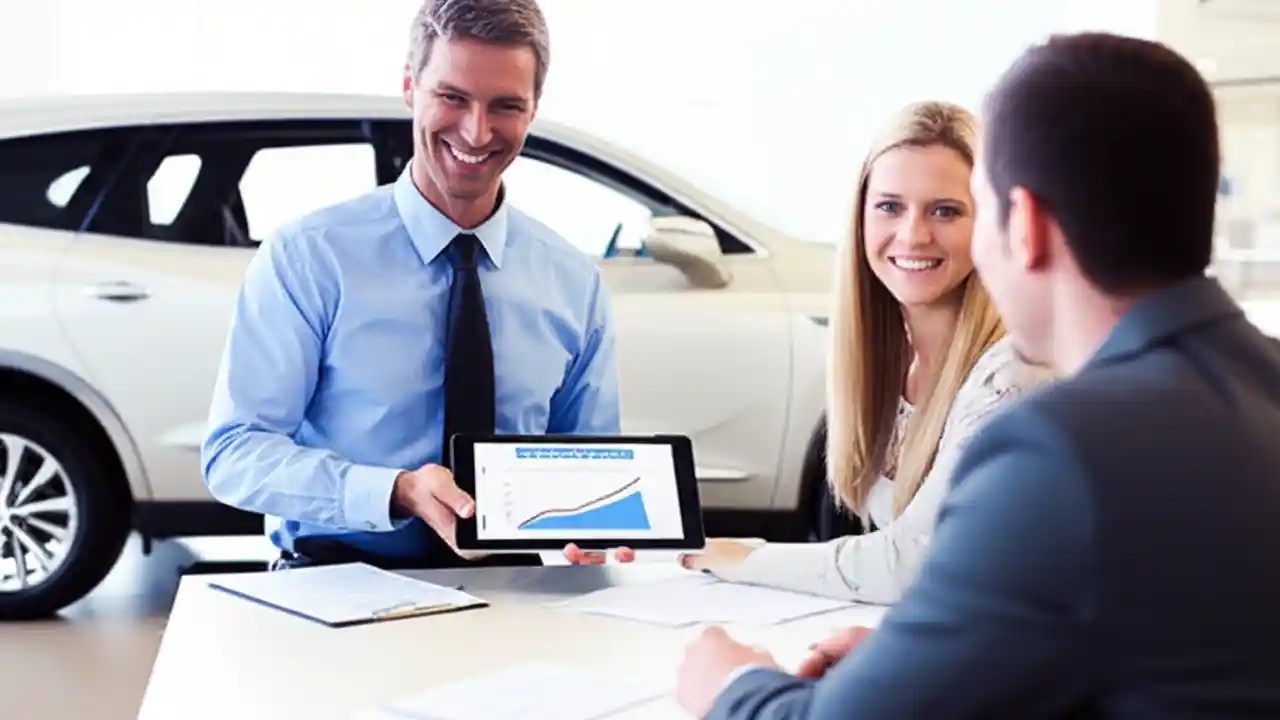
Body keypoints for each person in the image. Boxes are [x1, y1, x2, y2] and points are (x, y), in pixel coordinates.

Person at [675, 32, 1280, 719]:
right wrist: (939, 654)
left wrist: (734, 687)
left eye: (969, 208)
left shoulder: (1062, 449)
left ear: (1020, 224)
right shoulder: (1260, 383)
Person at [570, 101, 1048, 604]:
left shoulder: (1010, 374)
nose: (913, 234)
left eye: (945, 211)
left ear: (991, 223)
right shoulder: (891, 360)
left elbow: (912, 564)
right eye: (889, 206)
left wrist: (747, 558)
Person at [202, 0, 621, 570]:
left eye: (506, 106)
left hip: (515, 586)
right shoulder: (310, 256)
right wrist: (395, 491)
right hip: (338, 575)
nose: (477, 131)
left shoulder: (573, 281)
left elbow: (589, 463)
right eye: (453, 97)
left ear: (533, 109)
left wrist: (598, 528)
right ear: (409, 86)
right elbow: (235, 453)